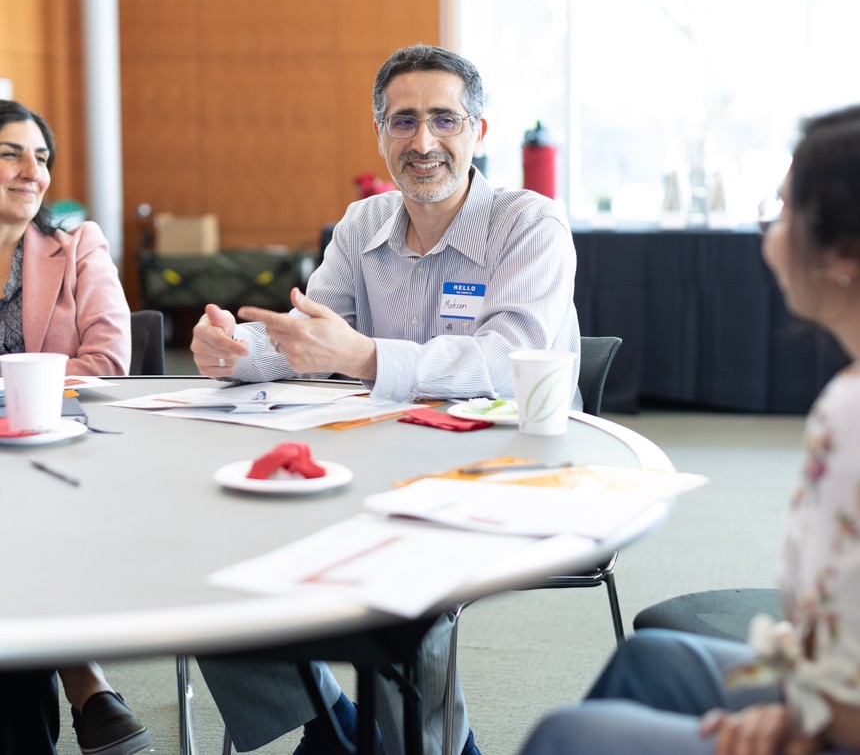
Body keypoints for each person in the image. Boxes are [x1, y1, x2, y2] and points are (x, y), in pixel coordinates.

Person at [190, 43, 583, 755]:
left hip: (502, 464)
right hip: (374, 453)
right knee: (217, 554)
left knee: (408, 580)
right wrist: (236, 352)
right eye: (402, 122)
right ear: (379, 134)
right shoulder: (360, 224)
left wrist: (367, 357)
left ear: (480, 133)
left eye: (444, 120)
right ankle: (332, 725)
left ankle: (420, 746)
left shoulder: (531, 224)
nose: (423, 142)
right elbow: (309, 338)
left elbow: (504, 363)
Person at [518, 105, 860, 755]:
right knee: (649, 661)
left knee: (566, 736)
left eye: (782, 214)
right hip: (831, 677)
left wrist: (805, 725)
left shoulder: (851, 413)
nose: (767, 237)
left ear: (841, 251)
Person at [0, 99, 151, 755]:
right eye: (11, 152)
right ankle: (83, 679)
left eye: (42, 157)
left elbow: (107, 360)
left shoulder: (77, 241)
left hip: (55, 456)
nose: (32, 170)